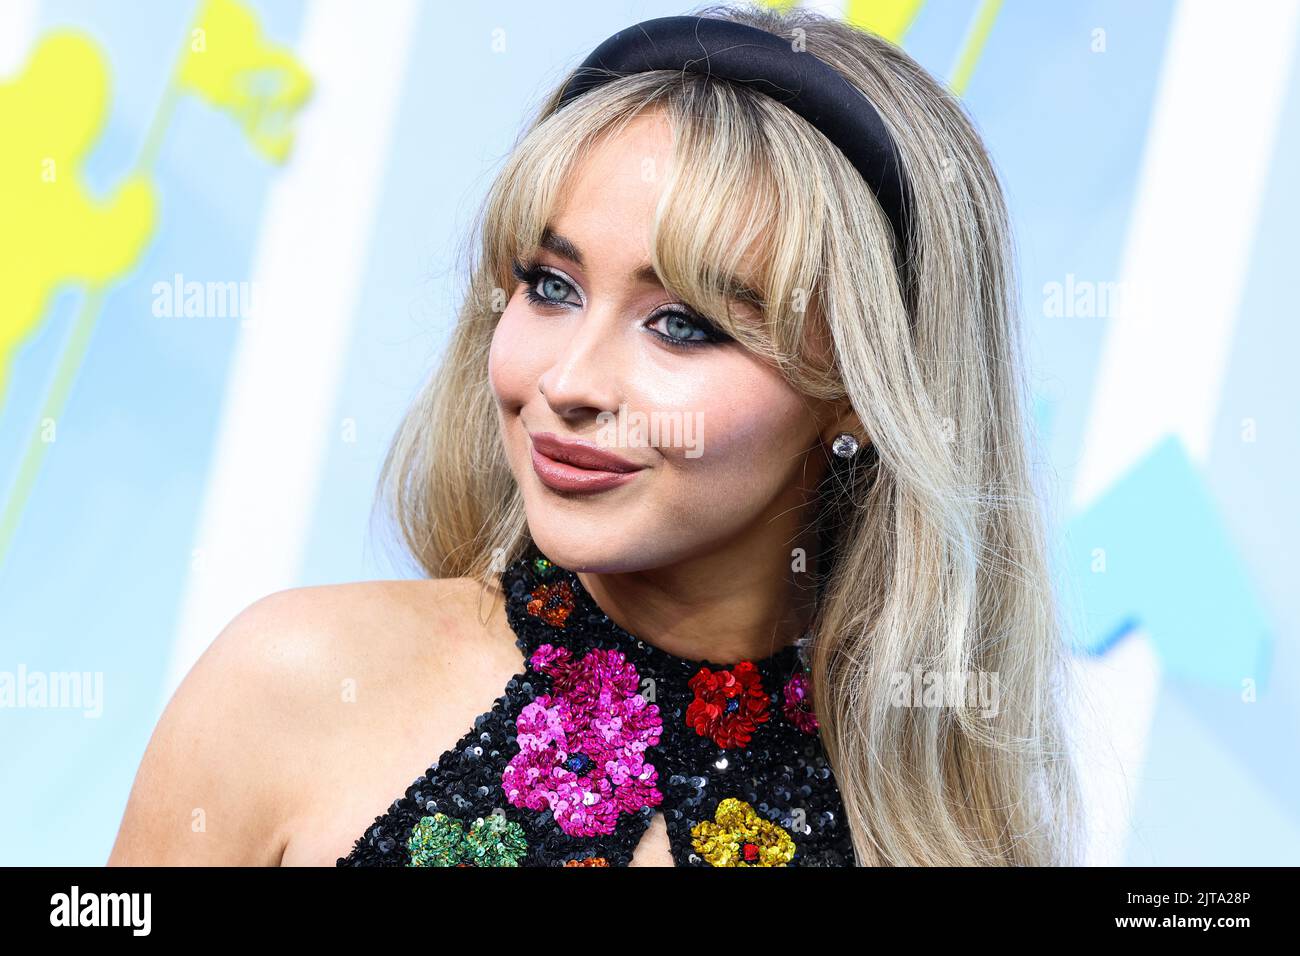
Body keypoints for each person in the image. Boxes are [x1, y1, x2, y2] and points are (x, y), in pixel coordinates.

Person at [109, 2, 1082, 867]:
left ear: (863, 392)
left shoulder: (933, 835)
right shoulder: (297, 682)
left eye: (684, 324)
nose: (567, 382)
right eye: (550, 284)